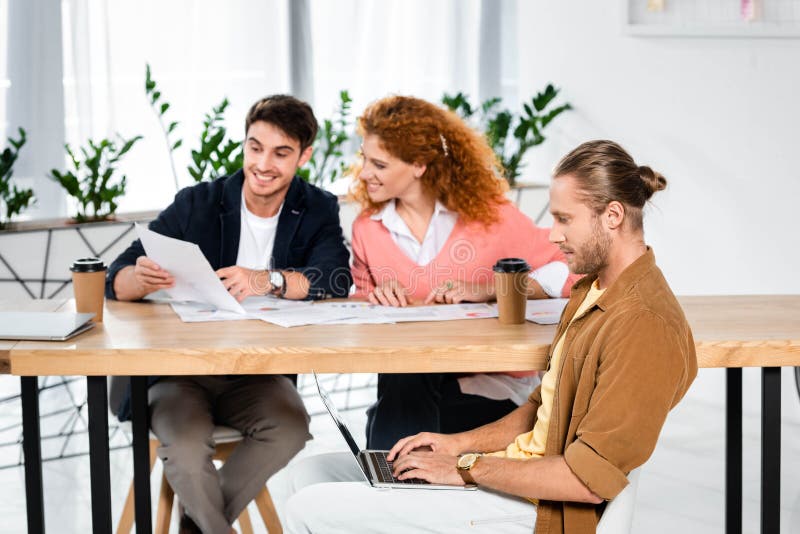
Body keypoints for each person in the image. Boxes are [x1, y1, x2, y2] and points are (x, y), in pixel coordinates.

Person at [285, 140, 698, 534]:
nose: (552, 235)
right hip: (511, 477)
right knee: (309, 475)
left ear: (612, 216)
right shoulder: (591, 291)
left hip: (538, 510)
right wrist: (455, 445)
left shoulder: (645, 323)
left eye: (564, 219)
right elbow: (540, 409)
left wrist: (466, 467)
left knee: (308, 509)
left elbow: (587, 482)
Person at [105, 95, 352, 534]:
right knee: (182, 446)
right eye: (255, 147)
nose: (263, 163)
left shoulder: (316, 207)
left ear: (304, 155)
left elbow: (334, 278)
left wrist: (266, 280)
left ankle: (197, 524)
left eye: (280, 153)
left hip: (256, 374)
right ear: (244, 144)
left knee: (290, 428)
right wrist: (138, 279)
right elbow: (116, 277)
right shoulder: (199, 202)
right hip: (179, 373)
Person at [348, 95, 579, 449]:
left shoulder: (489, 217)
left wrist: (496, 288)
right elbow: (358, 306)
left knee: (393, 426)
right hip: (414, 382)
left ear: (419, 165)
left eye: (378, 164)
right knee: (405, 383)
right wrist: (374, 298)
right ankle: (400, 480)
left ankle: (391, 479)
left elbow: (573, 267)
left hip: (490, 387)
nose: (364, 173)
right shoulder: (368, 228)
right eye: (364, 159)